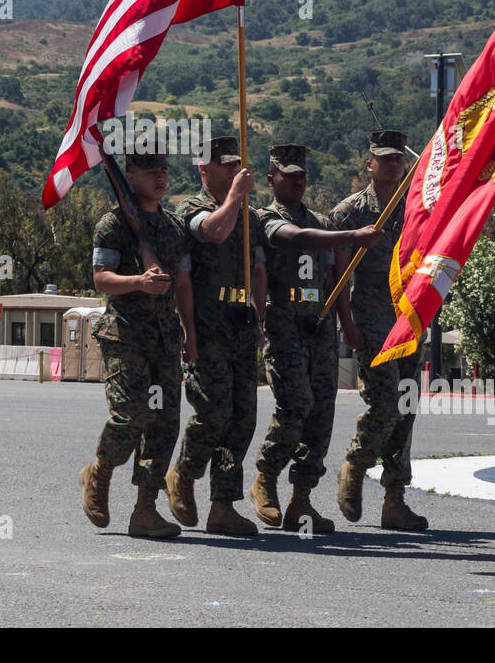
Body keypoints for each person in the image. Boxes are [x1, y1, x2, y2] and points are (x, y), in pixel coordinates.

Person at [251, 144, 379, 533]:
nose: (297, 181)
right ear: (272, 178)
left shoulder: (323, 222)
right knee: (296, 405)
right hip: (285, 325)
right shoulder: (266, 219)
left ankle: (301, 499)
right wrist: (353, 235)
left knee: (322, 413)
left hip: (320, 327)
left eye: (302, 175)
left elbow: (335, 281)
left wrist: (347, 323)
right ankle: (266, 481)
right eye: (288, 175)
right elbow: (297, 239)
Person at [79, 152, 195, 540]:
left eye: (163, 171)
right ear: (130, 176)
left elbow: (182, 285)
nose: (160, 178)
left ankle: (145, 509)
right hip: (126, 333)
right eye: (151, 172)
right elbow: (101, 279)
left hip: (165, 338)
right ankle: (100, 471)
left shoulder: (174, 227)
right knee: (131, 415)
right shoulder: (113, 224)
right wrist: (138, 282)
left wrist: (189, 335)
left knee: (164, 423)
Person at [166, 136, 266, 536]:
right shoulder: (190, 210)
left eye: (236, 164)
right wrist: (236, 197)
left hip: (240, 325)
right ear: (203, 168)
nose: (232, 170)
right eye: (224, 165)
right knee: (213, 412)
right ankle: (183, 475)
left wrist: (259, 316)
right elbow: (214, 232)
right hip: (207, 328)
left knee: (243, 418)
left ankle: (223, 505)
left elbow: (259, 269)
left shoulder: (251, 218)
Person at [331, 130, 428, 530]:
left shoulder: (416, 208)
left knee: (405, 410)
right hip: (371, 321)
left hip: (410, 318)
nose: (391, 164)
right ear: (369, 164)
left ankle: (394, 499)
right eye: (383, 158)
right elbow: (338, 276)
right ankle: (354, 465)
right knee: (385, 405)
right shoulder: (350, 212)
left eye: (397, 158)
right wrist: (347, 325)